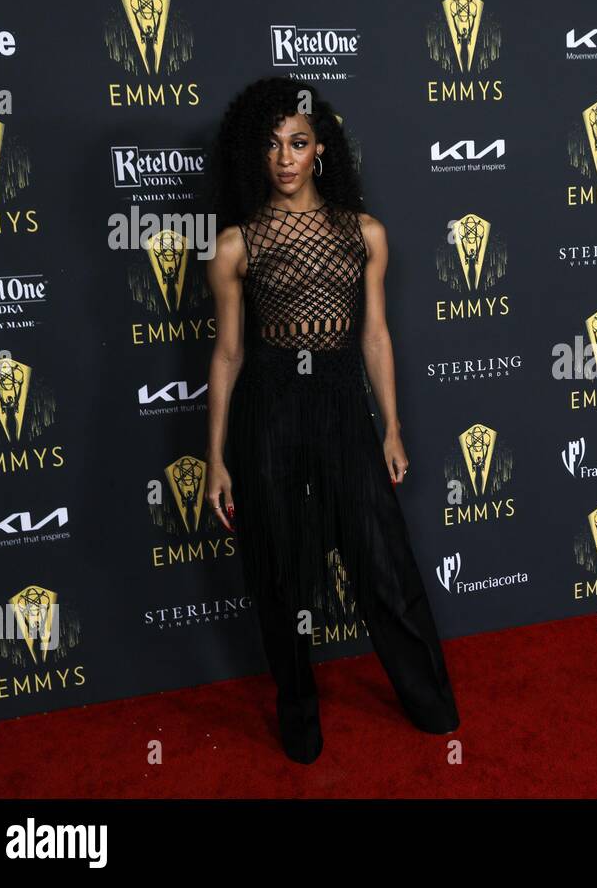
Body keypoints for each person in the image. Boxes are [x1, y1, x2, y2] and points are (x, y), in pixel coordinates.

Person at [202, 76, 460, 764]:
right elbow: (228, 354)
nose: (284, 158)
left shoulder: (363, 233)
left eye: (298, 142)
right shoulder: (235, 246)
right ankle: (298, 713)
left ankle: (430, 702)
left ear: (321, 149)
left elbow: (375, 336)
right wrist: (216, 457)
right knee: (282, 573)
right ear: (253, 154)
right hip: (270, 408)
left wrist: (393, 426)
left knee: (381, 560)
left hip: (344, 401)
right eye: (271, 144)